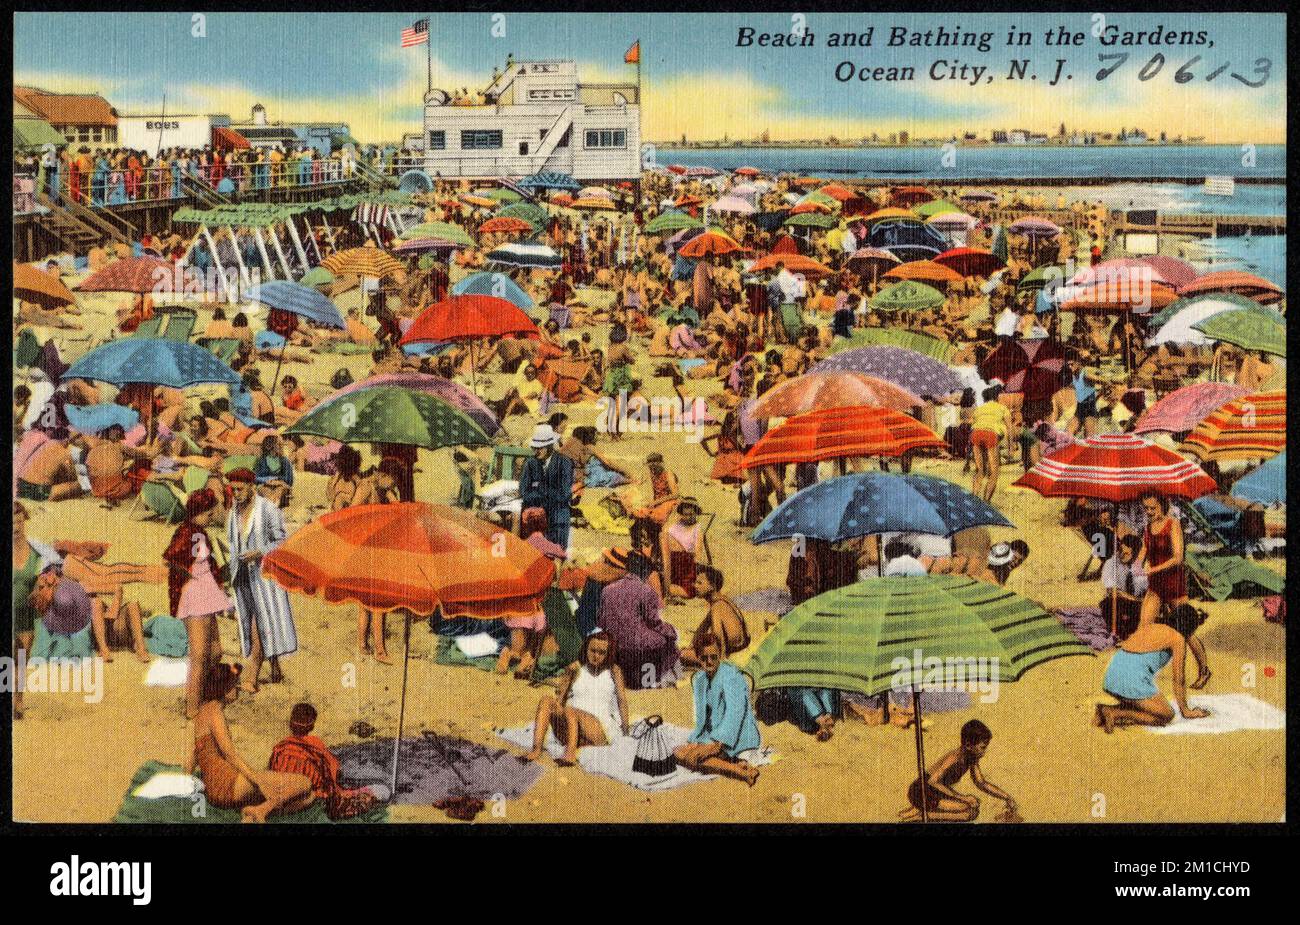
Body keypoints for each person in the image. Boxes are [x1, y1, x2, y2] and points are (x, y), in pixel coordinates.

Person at [185, 663, 315, 823]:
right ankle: (261, 810)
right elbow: (230, 755)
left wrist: (185, 779)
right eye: (235, 684)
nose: (238, 687)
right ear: (225, 689)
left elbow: (194, 752)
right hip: (227, 784)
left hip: (213, 788)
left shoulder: (202, 712)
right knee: (304, 783)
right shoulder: (215, 712)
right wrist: (257, 779)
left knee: (308, 798)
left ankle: (255, 814)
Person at [225, 469, 298, 690]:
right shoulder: (233, 513)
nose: (236, 494)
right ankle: (275, 665)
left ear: (252, 487)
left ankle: (252, 675)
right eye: (233, 489)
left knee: (261, 621)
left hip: (266, 576)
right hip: (243, 575)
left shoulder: (268, 509)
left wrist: (260, 552)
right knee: (257, 620)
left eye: (240, 489)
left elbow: (282, 541)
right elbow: (232, 542)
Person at [164, 489, 233, 718]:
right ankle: (192, 708)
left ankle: (203, 693)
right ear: (201, 511)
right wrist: (189, 575)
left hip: (206, 591)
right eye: (209, 511)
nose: (212, 515)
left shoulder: (198, 531)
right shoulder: (188, 533)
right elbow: (170, 559)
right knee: (200, 654)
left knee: (215, 651)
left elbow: (207, 561)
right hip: (194, 594)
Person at [1096, 603, 1210, 732]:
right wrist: (1186, 711)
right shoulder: (1177, 638)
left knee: (1146, 703)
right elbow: (1179, 679)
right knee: (1166, 715)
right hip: (1131, 680)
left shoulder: (1154, 626)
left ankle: (1104, 712)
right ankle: (1115, 713)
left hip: (1111, 677)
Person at [523, 632, 629, 766]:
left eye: (601, 652)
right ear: (586, 649)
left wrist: (626, 732)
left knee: (571, 711)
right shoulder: (577, 668)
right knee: (546, 700)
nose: (596, 656)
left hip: (597, 731)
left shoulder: (613, 671)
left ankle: (570, 755)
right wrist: (567, 677)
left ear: (608, 653)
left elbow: (622, 701)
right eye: (593, 650)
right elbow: (559, 702)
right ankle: (536, 749)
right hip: (570, 728)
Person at [267, 703, 386, 820]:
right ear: (312, 726)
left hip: (282, 799)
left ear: (290, 724)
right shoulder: (315, 744)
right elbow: (333, 772)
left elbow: (271, 774)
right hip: (313, 800)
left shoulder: (280, 748)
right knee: (381, 790)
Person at [673, 634, 761, 785]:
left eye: (713, 657)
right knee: (679, 753)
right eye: (704, 658)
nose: (709, 662)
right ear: (698, 657)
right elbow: (702, 719)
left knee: (694, 758)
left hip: (738, 734)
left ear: (720, 655)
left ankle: (737, 771)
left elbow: (735, 713)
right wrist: (696, 742)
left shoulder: (731, 676)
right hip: (714, 734)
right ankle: (735, 768)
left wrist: (715, 745)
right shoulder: (699, 679)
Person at [899, 720, 1017, 822]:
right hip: (921, 792)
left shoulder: (971, 758)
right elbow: (932, 781)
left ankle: (919, 810)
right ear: (968, 745)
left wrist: (1006, 797)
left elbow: (981, 783)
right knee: (969, 812)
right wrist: (963, 798)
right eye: (982, 747)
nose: (984, 752)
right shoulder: (955, 757)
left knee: (972, 807)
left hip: (936, 792)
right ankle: (922, 815)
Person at [596, 551, 678, 689]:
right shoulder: (646, 591)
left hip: (615, 646)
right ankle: (652, 679)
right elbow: (654, 623)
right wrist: (671, 631)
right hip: (636, 647)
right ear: (644, 571)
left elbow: (601, 621)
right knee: (667, 642)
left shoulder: (607, 590)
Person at [680, 565, 751, 667]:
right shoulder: (721, 600)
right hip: (739, 646)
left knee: (680, 654)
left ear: (712, 586)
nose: (695, 586)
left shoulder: (717, 607)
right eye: (695, 582)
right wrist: (692, 645)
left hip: (729, 654)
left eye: (700, 583)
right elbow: (703, 627)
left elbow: (718, 639)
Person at [1136, 492, 1188, 628]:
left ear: (1162, 506)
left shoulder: (1172, 524)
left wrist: (1153, 569)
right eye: (1146, 508)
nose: (1149, 511)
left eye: (1152, 508)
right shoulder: (1147, 528)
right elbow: (1144, 549)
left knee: (1184, 629)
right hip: (1155, 584)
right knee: (1144, 626)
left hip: (1174, 582)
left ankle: (1197, 651)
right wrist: (1136, 565)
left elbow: (1178, 558)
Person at [519, 423, 574, 550]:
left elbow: (564, 495)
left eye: (541, 448)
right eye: (534, 448)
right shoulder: (530, 463)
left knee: (556, 553)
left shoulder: (564, 462)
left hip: (556, 514)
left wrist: (539, 487)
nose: (537, 451)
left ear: (550, 446)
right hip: (535, 514)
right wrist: (545, 493)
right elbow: (524, 492)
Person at [968, 386, 1013, 502]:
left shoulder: (979, 409)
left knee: (980, 470)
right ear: (997, 397)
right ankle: (986, 502)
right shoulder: (1003, 408)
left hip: (976, 434)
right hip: (991, 435)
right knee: (994, 472)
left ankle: (974, 499)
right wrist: (1011, 447)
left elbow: (973, 425)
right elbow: (1010, 429)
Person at [660, 497, 708, 600]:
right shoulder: (677, 524)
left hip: (686, 564)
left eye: (691, 514)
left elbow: (698, 553)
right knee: (663, 535)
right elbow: (665, 532)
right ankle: (667, 587)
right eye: (685, 514)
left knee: (689, 591)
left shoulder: (697, 528)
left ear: (696, 513)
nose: (687, 518)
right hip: (671, 560)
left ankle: (667, 588)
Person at [1101, 535, 1147, 640]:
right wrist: (1136, 600)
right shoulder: (1111, 564)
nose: (1121, 555)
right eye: (1120, 550)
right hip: (1116, 603)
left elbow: (1143, 586)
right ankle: (1122, 631)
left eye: (1126, 553)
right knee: (1110, 604)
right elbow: (1113, 592)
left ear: (1135, 554)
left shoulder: (1136, 566)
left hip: (1132, 603)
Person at [252, 434, 294, 507]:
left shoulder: (284, 461)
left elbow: (289, 479)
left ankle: (272, 510)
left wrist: (277, 481)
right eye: (278, 444)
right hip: (264, 485)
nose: (281, 446)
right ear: (269, 446)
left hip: (281, 485)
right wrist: (267, 480)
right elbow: (254, 477)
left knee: (278, 491)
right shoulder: (261, 460)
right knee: (266, 492)